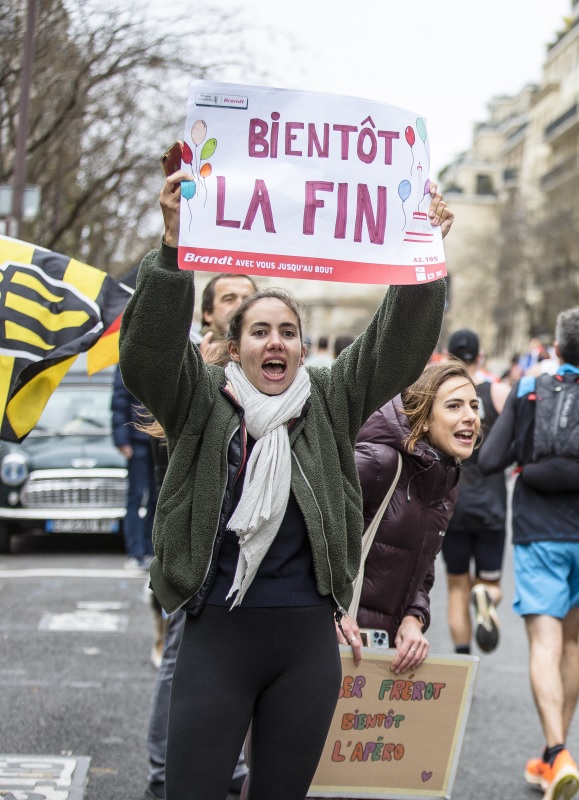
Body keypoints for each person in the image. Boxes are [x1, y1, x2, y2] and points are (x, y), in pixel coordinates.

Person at [120, 159, 451, 800]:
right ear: (234, 343)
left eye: (288, 332)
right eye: (260, 331)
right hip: (216, 632)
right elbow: (147, 355)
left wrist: (425, 253)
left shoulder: (329, 396)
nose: (275, 342)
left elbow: (396, 346)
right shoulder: (201, 399)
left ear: (304, 347)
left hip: (305, 642)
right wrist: (171, 245)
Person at [478, 308, 579, 800]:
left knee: (543, 645)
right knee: (570, 643)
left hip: (538, 531)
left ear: (557, 348)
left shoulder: (526, 390)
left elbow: (489, 460)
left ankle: (556, 749)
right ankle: (552, 756)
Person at [142, 270, 257, 800]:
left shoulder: (271, 374)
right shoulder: (196, 376)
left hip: (252, 558)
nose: (241, 303)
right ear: (207, 315)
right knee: (183, 659)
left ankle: (229, 767)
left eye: (249, 297)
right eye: (229, 297)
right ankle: (166, 773)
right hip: (199, 554)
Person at [339, 361, 482, 671]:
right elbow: (306, 534)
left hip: (376, 652)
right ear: (424, 418)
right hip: (327, 643)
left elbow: (423, 565)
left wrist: (414, 618)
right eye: (454, 406)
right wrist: (330, 612)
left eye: (474, 405)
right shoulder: (379, 463)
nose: (471, 417)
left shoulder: (445, 481)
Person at [441, 329, 511, 655]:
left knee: (456, 586)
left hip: (451, 502)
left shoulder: (440, 396)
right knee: (489, 583)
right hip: (491, 504)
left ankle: (462, 657)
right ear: (480, 357)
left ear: (447, 357)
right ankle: (486, 596)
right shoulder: (497, 392)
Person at [112, 366, 156, 571]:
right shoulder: (126, 362)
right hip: (137, 442)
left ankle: (150, 550)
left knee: (157, 498)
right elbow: (119, 401)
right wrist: (122, 441)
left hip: (159, 441)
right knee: (136, 497)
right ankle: (135, 553)